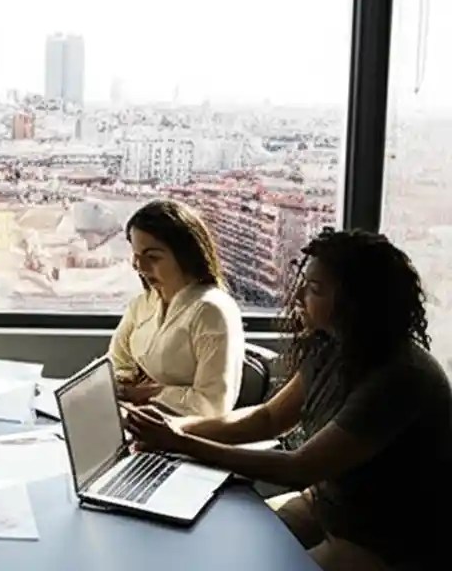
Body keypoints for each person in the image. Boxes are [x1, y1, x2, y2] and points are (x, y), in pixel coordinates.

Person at [124, 229, 451, 570]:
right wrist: (179, 425)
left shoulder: (399, 378)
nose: (298, 296)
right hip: (327, 505)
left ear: (357, 302)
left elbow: (301, 467)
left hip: (386, 540)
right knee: (225, 550)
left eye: (314, 289)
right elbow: (269, 418)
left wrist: (181, 442)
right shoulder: (334, 345)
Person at [106, 199, 244, 416]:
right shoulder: (145, 303)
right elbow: (115, 364)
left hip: (186, 435)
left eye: (152, 257)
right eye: (136, 255)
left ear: (186, 255)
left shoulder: (210, 311)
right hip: (143, 421)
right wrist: (126, 384)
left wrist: (150, 393)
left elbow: (213, 405)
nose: (139, 267)